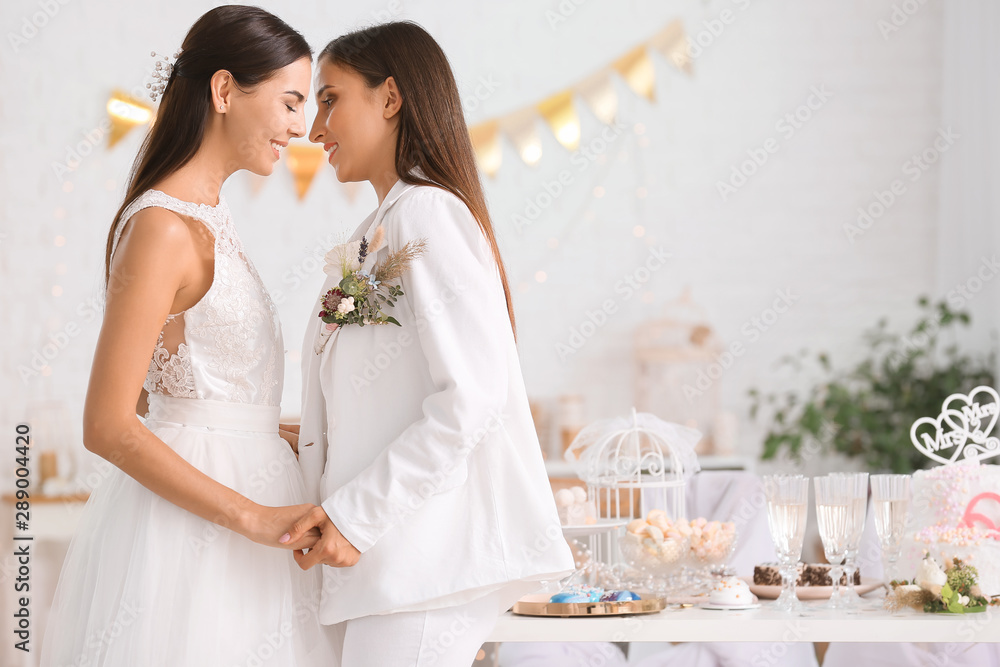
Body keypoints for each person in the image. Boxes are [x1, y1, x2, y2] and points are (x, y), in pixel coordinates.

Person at [40, 7, 333, 665]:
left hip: (250, 517)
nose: (301, 127)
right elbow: (109, 422)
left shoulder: (210, 219)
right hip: (200, 534)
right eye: (289, 102)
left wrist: (266, 432)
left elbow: (177, 394)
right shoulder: (163, 228)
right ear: (225, 91)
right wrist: (251, 515)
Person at [285, 20, 576, 667]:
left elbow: (471, 398)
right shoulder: (380, 229)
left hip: (424, 564)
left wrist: (355, 516)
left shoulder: (425, 215)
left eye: (329, 98)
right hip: (396, 570)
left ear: (390, 98)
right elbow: (386, 389)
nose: (313, 128)